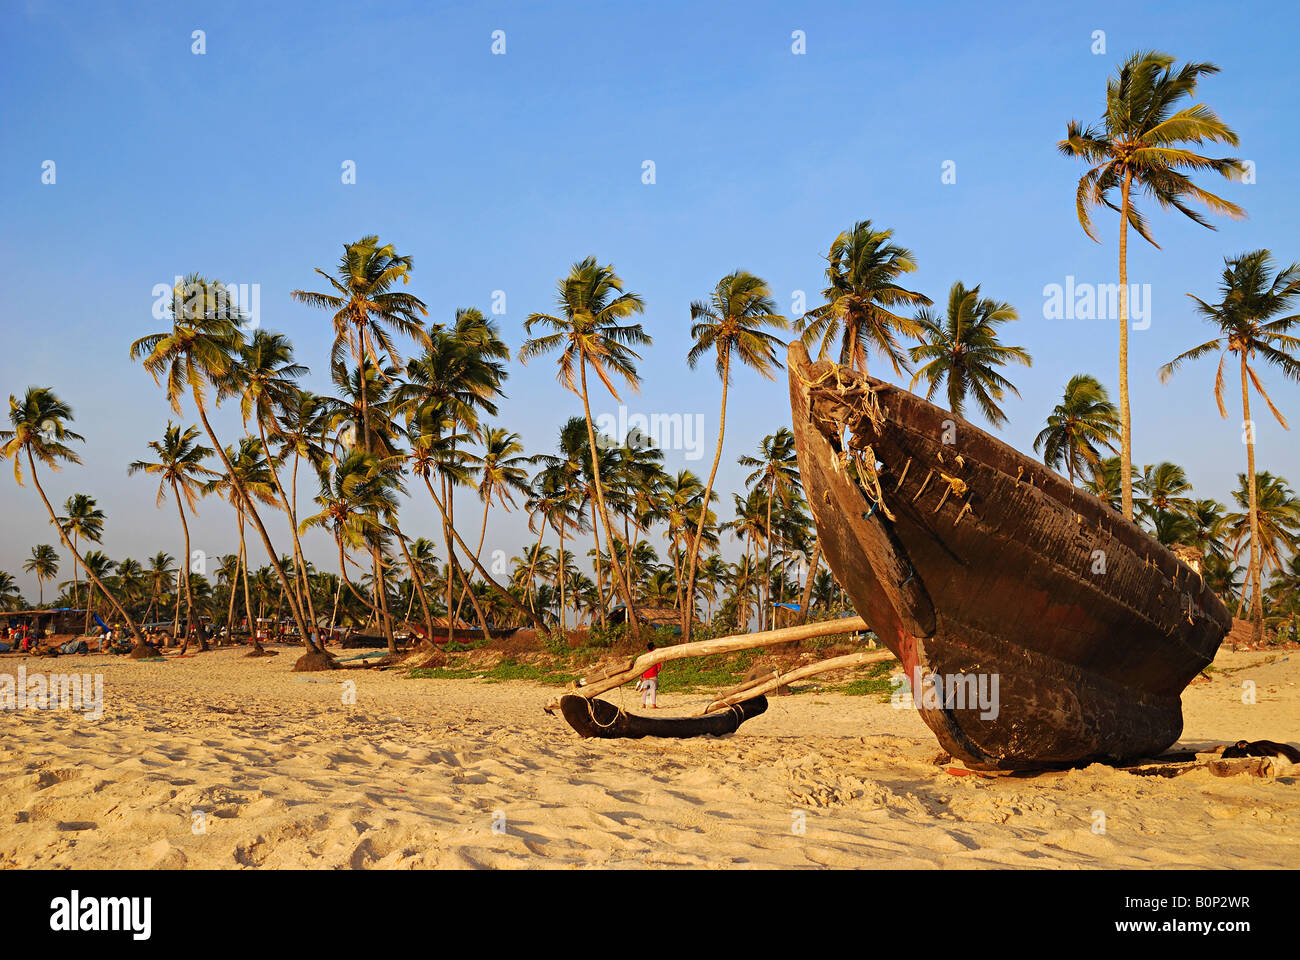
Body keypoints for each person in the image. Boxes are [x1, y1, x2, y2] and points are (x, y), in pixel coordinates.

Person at [637, 641, 662, 709]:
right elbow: (659, 668)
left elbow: (642, 667)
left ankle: (643, 705)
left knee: (644, 690)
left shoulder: (645, 656)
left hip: (645, 676)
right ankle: (653, 705)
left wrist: (641, 675)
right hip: (653, 676)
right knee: (653, 690)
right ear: (653, 647)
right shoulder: (655, 656)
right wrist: (656, 673)